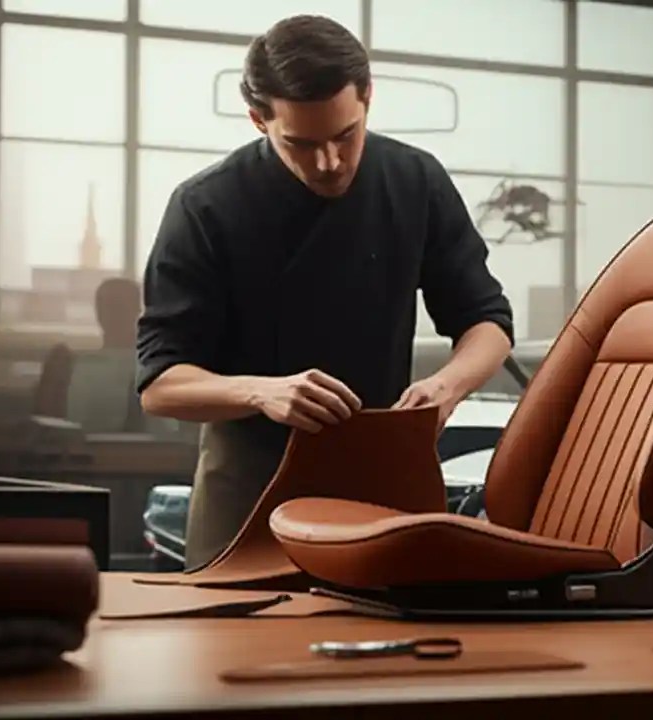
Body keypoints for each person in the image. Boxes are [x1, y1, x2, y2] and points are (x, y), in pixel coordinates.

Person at [135, 14, 514, 570]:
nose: (330, 163)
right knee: (232, 649)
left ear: (367, 98)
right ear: (258, 120)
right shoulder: (205, 207)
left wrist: (446, 387)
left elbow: (487, 321)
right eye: (302, 144)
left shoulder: (416, 180)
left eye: (346, 135)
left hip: (383, 476)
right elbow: (160, 386)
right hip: (249, 487)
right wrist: (260, 392)